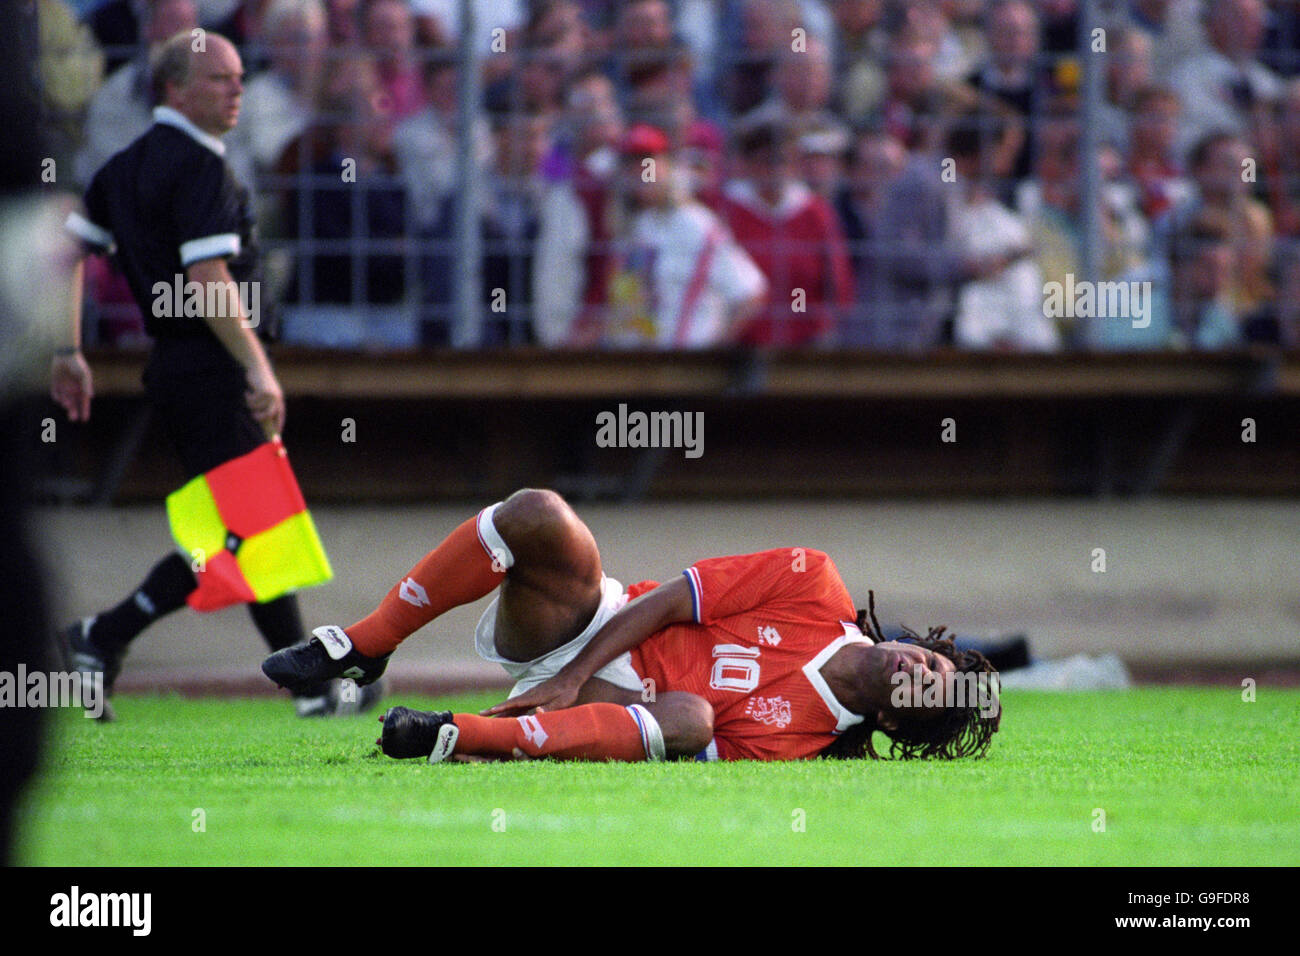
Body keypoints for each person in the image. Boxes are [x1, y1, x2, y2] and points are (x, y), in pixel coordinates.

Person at [53, 30, 379, 719]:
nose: (236, 91)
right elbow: (207, 279)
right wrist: (259, 368)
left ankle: (312, 686)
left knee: (250, 525)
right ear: (174, 89)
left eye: (239, 78)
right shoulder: (202, 168)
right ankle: (101, 635)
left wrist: (67, 350)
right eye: (219, 80)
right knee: (239, 528)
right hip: (212, 368)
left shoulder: (123, 166)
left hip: (174, 368)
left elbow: (70, 252)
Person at [263, 488, 1001, 763]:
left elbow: (681, 739)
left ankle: (460, 734)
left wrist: (582, 694)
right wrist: (572, 671)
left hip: (614, 709)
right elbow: (671, 602)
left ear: (894, 726)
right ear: (917, 645)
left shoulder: (805, 747)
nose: (922, 676)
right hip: (594, 623)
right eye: (934, 665)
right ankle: (366, 645)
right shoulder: (816, 579)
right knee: (539, 516)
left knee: (691, 719)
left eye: (926, 697)